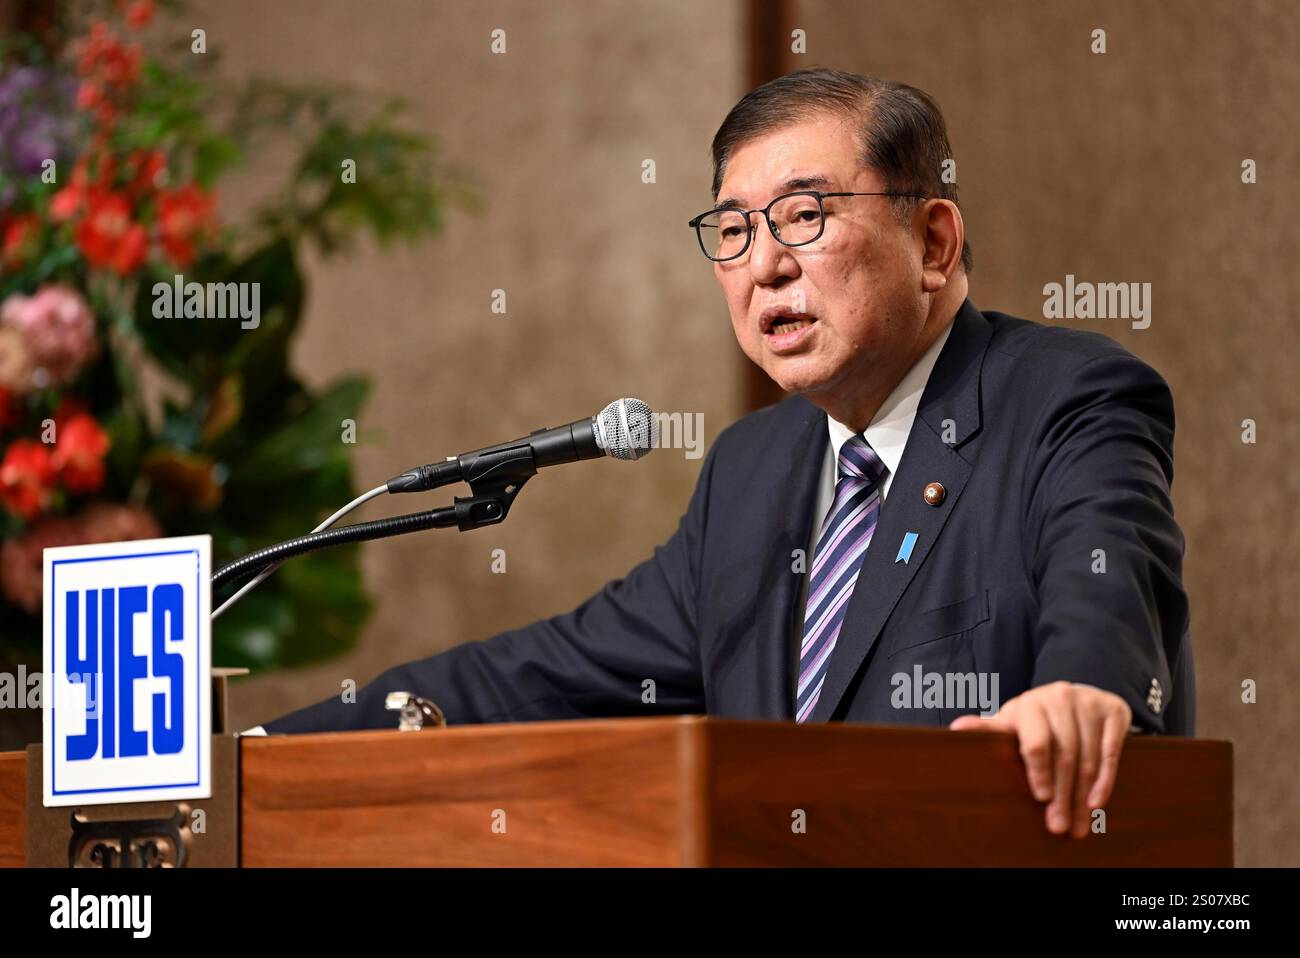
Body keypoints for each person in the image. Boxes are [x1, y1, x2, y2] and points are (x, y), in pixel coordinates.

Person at [258, 69, 1193, 841]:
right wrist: (256, 753)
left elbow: (1103, 587)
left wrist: (1078, 690)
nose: (763, 266)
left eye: (803, 216)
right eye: (734, 231)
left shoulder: (1068, 399)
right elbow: (541, 677)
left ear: (934, 243)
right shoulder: (758, 470)